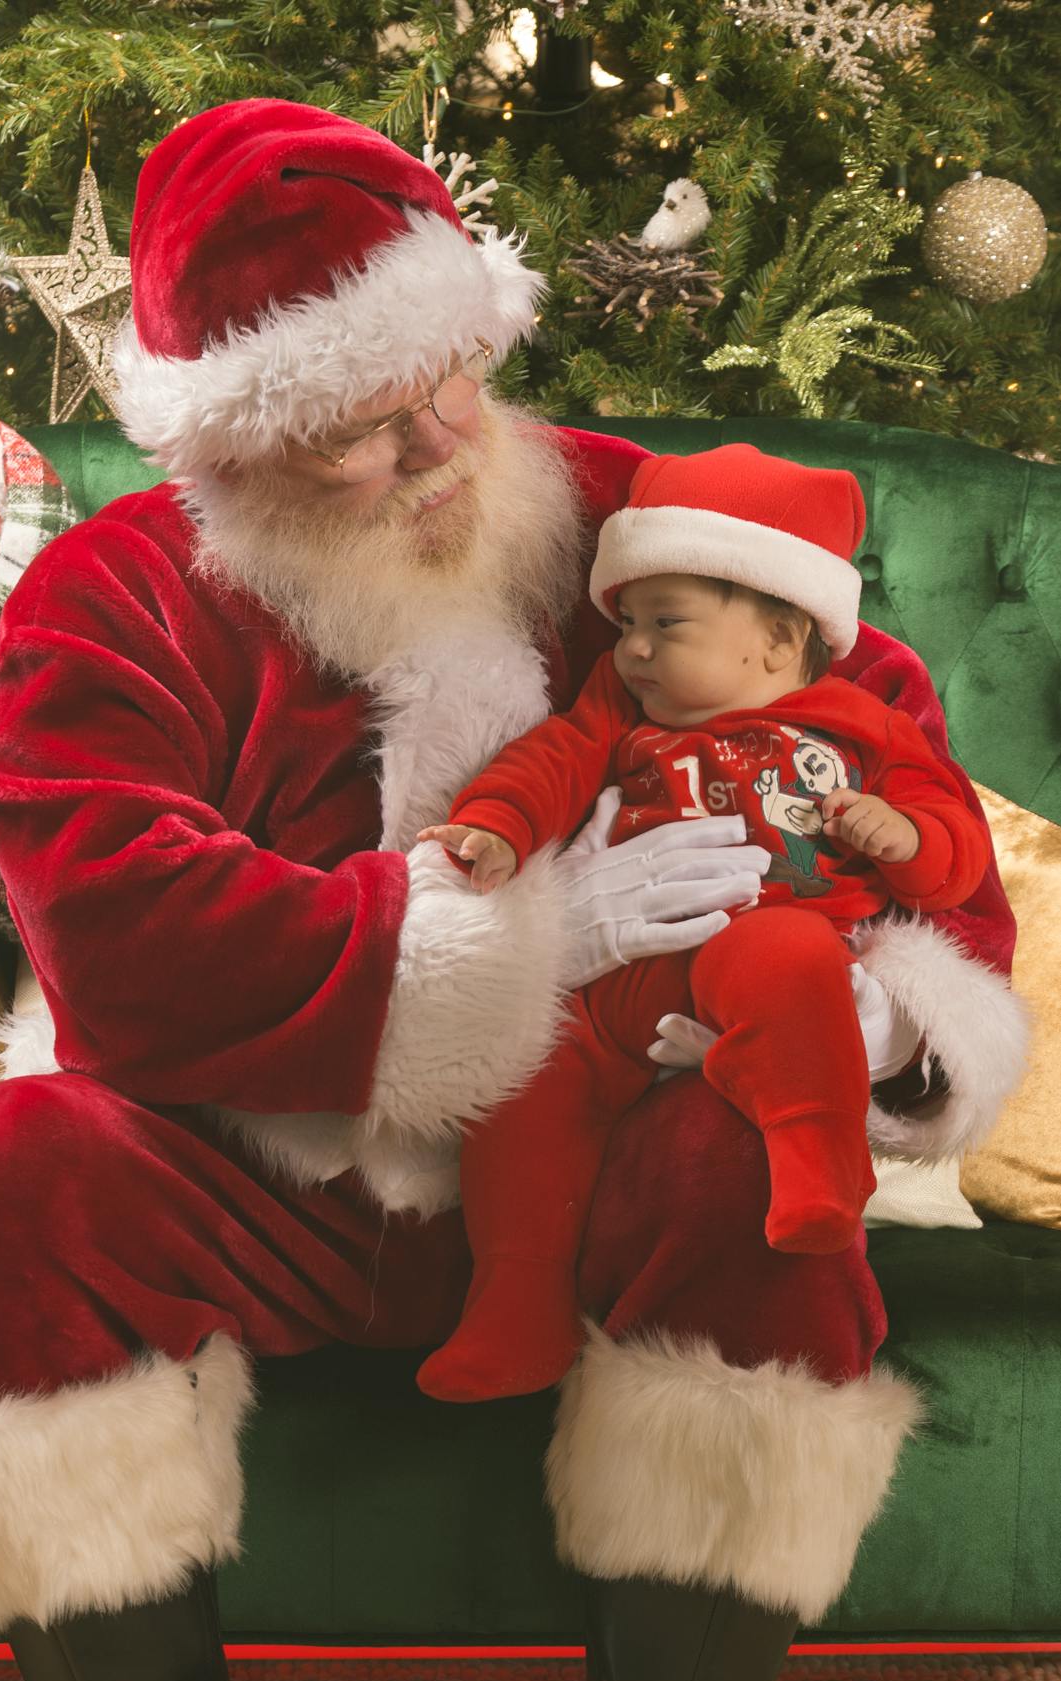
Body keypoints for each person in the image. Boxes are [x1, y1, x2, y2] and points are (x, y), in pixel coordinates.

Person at [0, 99, 1029, 1681]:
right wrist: (532, 935)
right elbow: (119, 933)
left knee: (763, 1159)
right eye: (363, 419)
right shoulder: (118, 595)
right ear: (229, 437)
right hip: (265, 1177)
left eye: (452, 382)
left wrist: (886, 1006)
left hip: (616, 1166)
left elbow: (892, 768)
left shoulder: (652, 527)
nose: (435, 445)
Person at [411, 444, 992, 1404]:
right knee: (526, 1079)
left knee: (782, 954)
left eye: (663, 623)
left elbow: (955, 849)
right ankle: (516, 1303)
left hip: (766, 948)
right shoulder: (617, 705)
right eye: (625, 623)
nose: (630, 649)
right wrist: (498, 826)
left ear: (777, 635)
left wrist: (906, 837)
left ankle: (817, 1165)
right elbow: (553, 760)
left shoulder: (862, 724)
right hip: (621, 970)